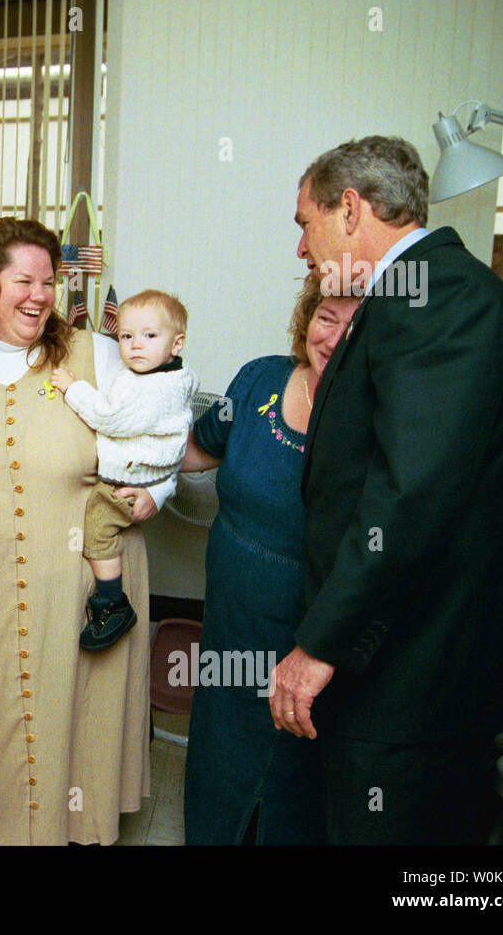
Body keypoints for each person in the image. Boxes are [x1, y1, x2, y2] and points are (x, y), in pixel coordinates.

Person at [271, 136, 503, 844]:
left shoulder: (441, 294)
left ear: (349, 208)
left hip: (415, 675)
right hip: (399, 663)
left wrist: (320, 644)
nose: (301, 250)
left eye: (303, 224)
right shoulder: (411, 293)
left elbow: (413, 494)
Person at [0, 217, 173, 845]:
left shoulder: (96, 356)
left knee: (71, 734)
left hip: (79, 593)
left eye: (49, 281)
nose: (40, 296)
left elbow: (162, 431)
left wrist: (157, 491)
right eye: (24, 280)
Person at [180, 275, 358, 845]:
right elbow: (196, 452)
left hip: (312, 632)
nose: (333, 336)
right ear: (306, 319)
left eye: (353, 326)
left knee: (295, 762)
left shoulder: (379, 415)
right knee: (222, 749)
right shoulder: (259, 377)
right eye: (325, 318)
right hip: (232, 617)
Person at [50, 290, 197, 651]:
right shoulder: (156, 374)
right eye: (126, 336)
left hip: (133, 480)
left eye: (149, 336)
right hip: (146, 473)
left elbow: (109, 417)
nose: (134, 346)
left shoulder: (156, 390)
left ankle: (112, 603)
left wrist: (72, 389)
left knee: (98, 528)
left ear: (176, 343)